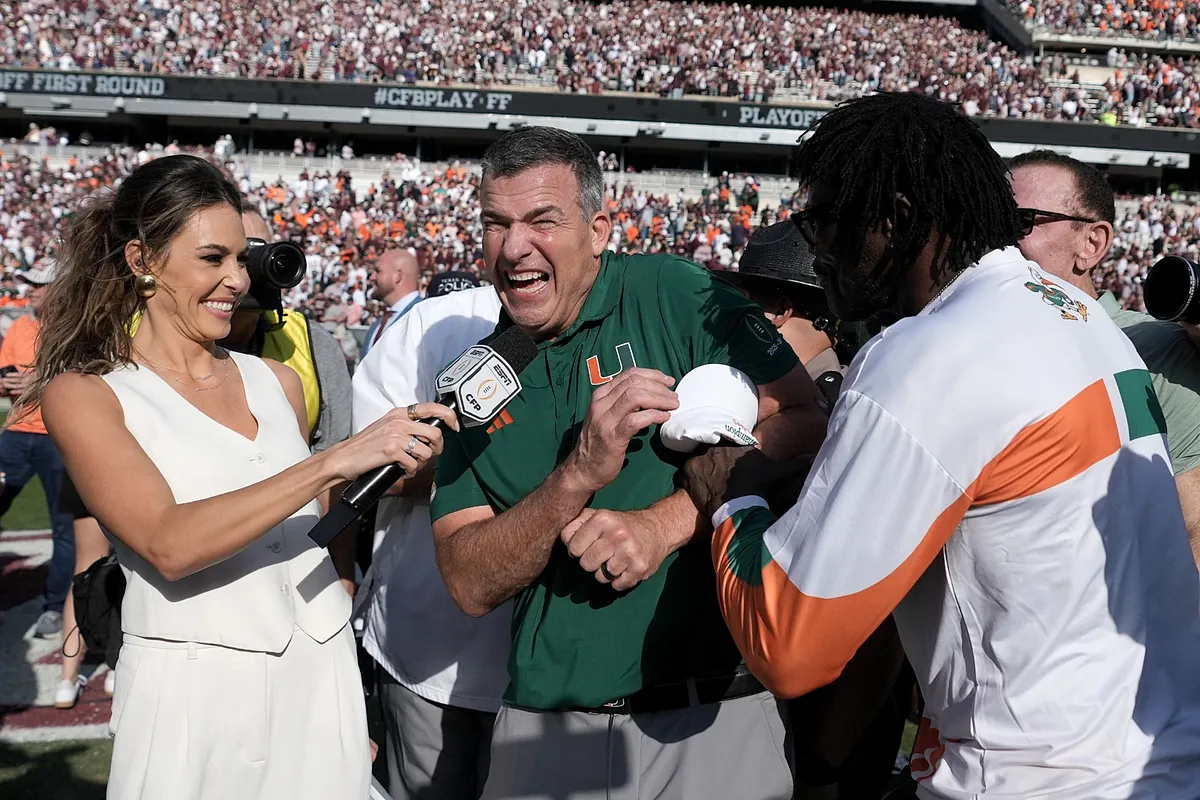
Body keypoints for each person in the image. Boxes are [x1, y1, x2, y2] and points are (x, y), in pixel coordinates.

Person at [680, 93, 1200, 799]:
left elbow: (789, 645)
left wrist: (732, 494)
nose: (816, 248)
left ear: (893, 220)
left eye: (822, 219)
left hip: (1036, 780)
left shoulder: (924, 354)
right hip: (1155, 759)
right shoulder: (1081, 314)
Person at [25, 153, 457, 800]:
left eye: (241, 257)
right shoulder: (86, 394)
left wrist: (393, 465)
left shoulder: (277, 381)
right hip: (193, 697)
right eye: (212, 259)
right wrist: (332, 460)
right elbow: (168, 542)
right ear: (142, 260)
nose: (237, 279)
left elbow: (310, 526)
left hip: (321, 677)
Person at [430, 126, 828, 800]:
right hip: (545, 727)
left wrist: (667, 523)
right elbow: (469, 582)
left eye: (542, 221)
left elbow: (807, 422)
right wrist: (577, 475)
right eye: (496, 224)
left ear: (598, 231)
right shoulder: (471, 381)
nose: (514, 247)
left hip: (713, 715)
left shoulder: (673, 292)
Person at [722, 219, 909, 800]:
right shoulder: (850, 392)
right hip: (835, 718)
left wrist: (820, 762)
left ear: (779, 311)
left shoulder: (834, 409)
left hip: (822, 726)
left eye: (744, 302)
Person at [1009, 149, 1200, 565]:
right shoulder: (948, 350)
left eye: (1019, 222)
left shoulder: (1157, 348)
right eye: (983, 221)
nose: (995, 242)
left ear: (1091, 243)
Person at [353, 282, 506, 800]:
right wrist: (494, 463)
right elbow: (364, 471)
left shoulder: (618, 318)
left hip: (558, 664)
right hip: (428, 652)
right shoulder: (429, 324)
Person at [0, 258, 76, 639]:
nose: (30, 290)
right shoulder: (19, 327)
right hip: (15, 433)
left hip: (58, 437)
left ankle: (54, 607)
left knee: (65, 527)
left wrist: (38, 384)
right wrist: (8, 383)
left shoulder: (75, 329)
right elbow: (4, 376)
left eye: (38, 284)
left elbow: (84, 381)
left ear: (58, 289)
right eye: (29, 283)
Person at [54, 473, 114, 709]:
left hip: (87, 470)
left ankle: (66, 680)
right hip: (136, 469)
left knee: (86, 572)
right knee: (132, 571)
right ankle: (116, 665)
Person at [361, 247, 422, 360]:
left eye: (378, 271)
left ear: (398, 276)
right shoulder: (380, 323)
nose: (371, 277)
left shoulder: (422, 317)